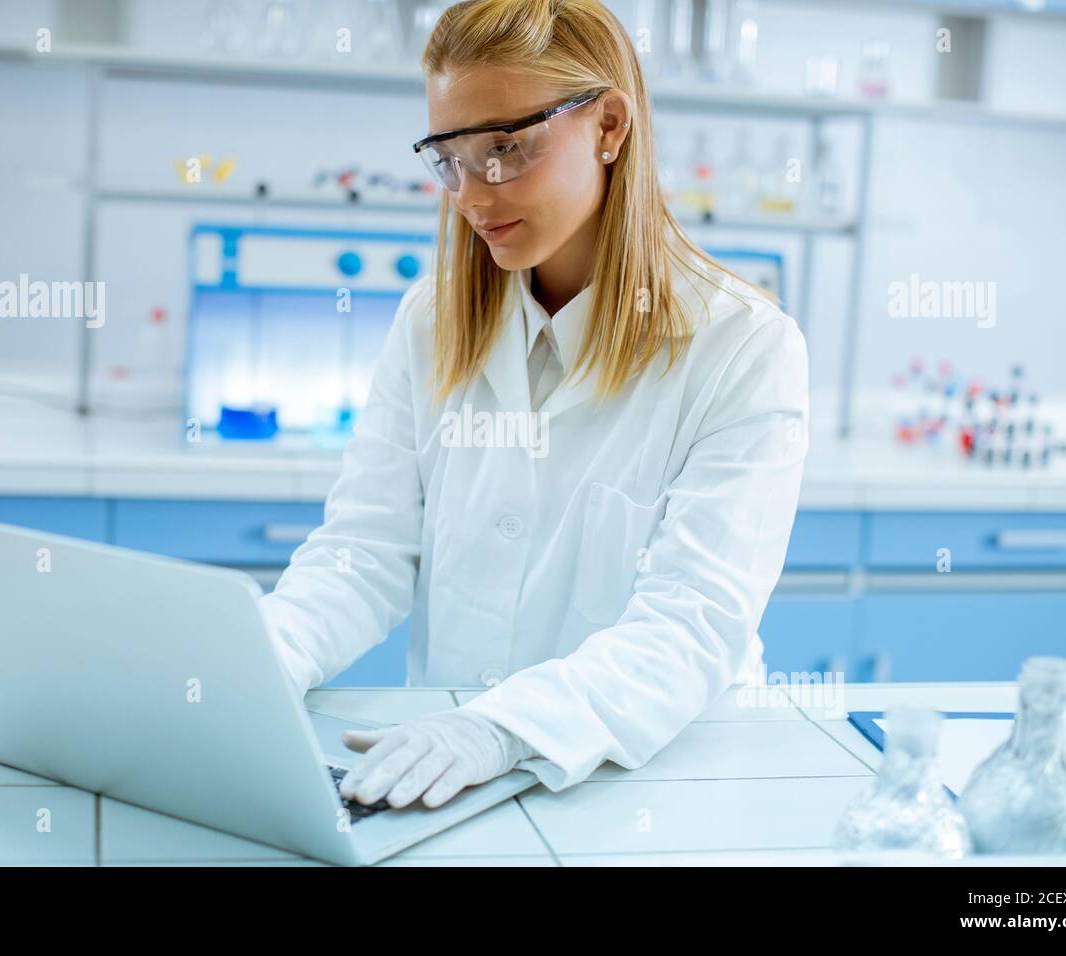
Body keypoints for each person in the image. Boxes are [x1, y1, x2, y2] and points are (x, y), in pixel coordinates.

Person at [259, 0, 808, 811]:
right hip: (442, 786)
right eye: (449, 156)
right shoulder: (431, 320)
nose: (470, 194)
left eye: (506, 149)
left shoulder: (743, 347)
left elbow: (694, 622)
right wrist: (264, 654)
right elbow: (366, 551)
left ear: (610, 127)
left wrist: (499, 729)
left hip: (646, 790)